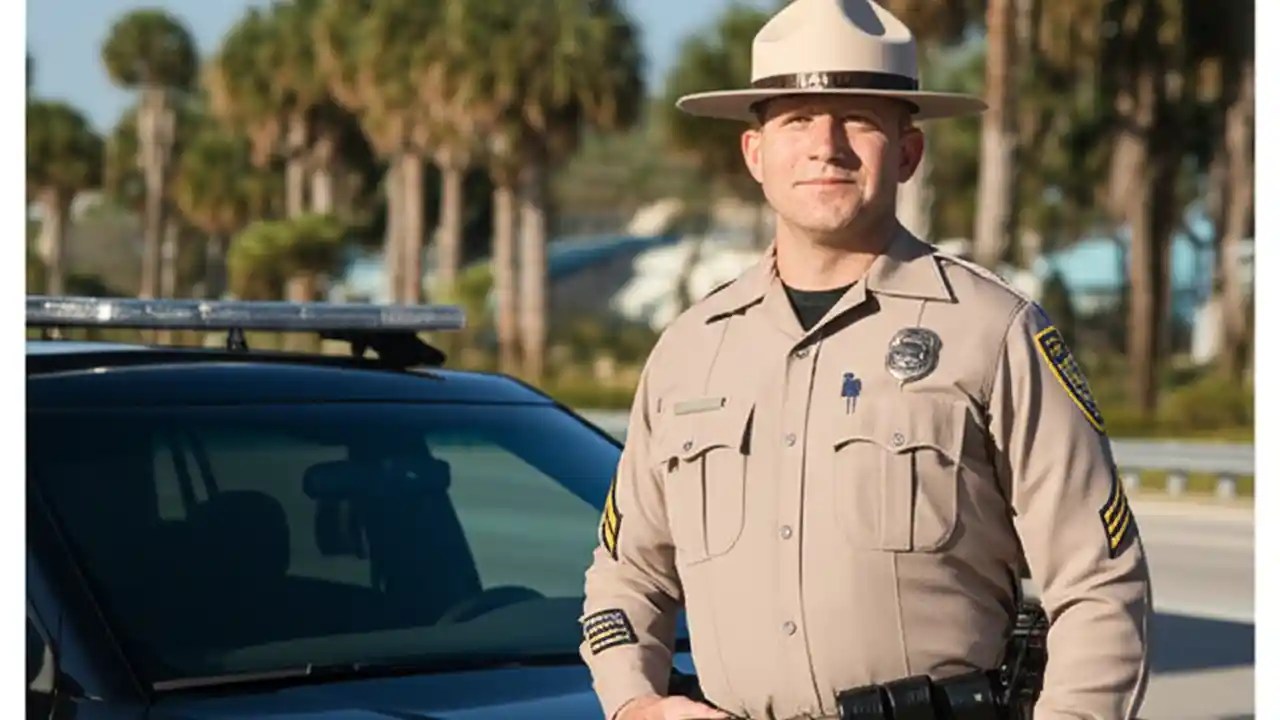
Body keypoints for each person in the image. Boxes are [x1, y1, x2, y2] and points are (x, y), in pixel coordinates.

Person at [577, 0, 1152, 718]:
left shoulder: (994, 333)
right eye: (796, 120)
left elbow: (1100, 586)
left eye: (859, 119)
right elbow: (628, 576)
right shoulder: (690, 353)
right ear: (755, 154)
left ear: (907, 152)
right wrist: (636, 704)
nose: (827, 146)